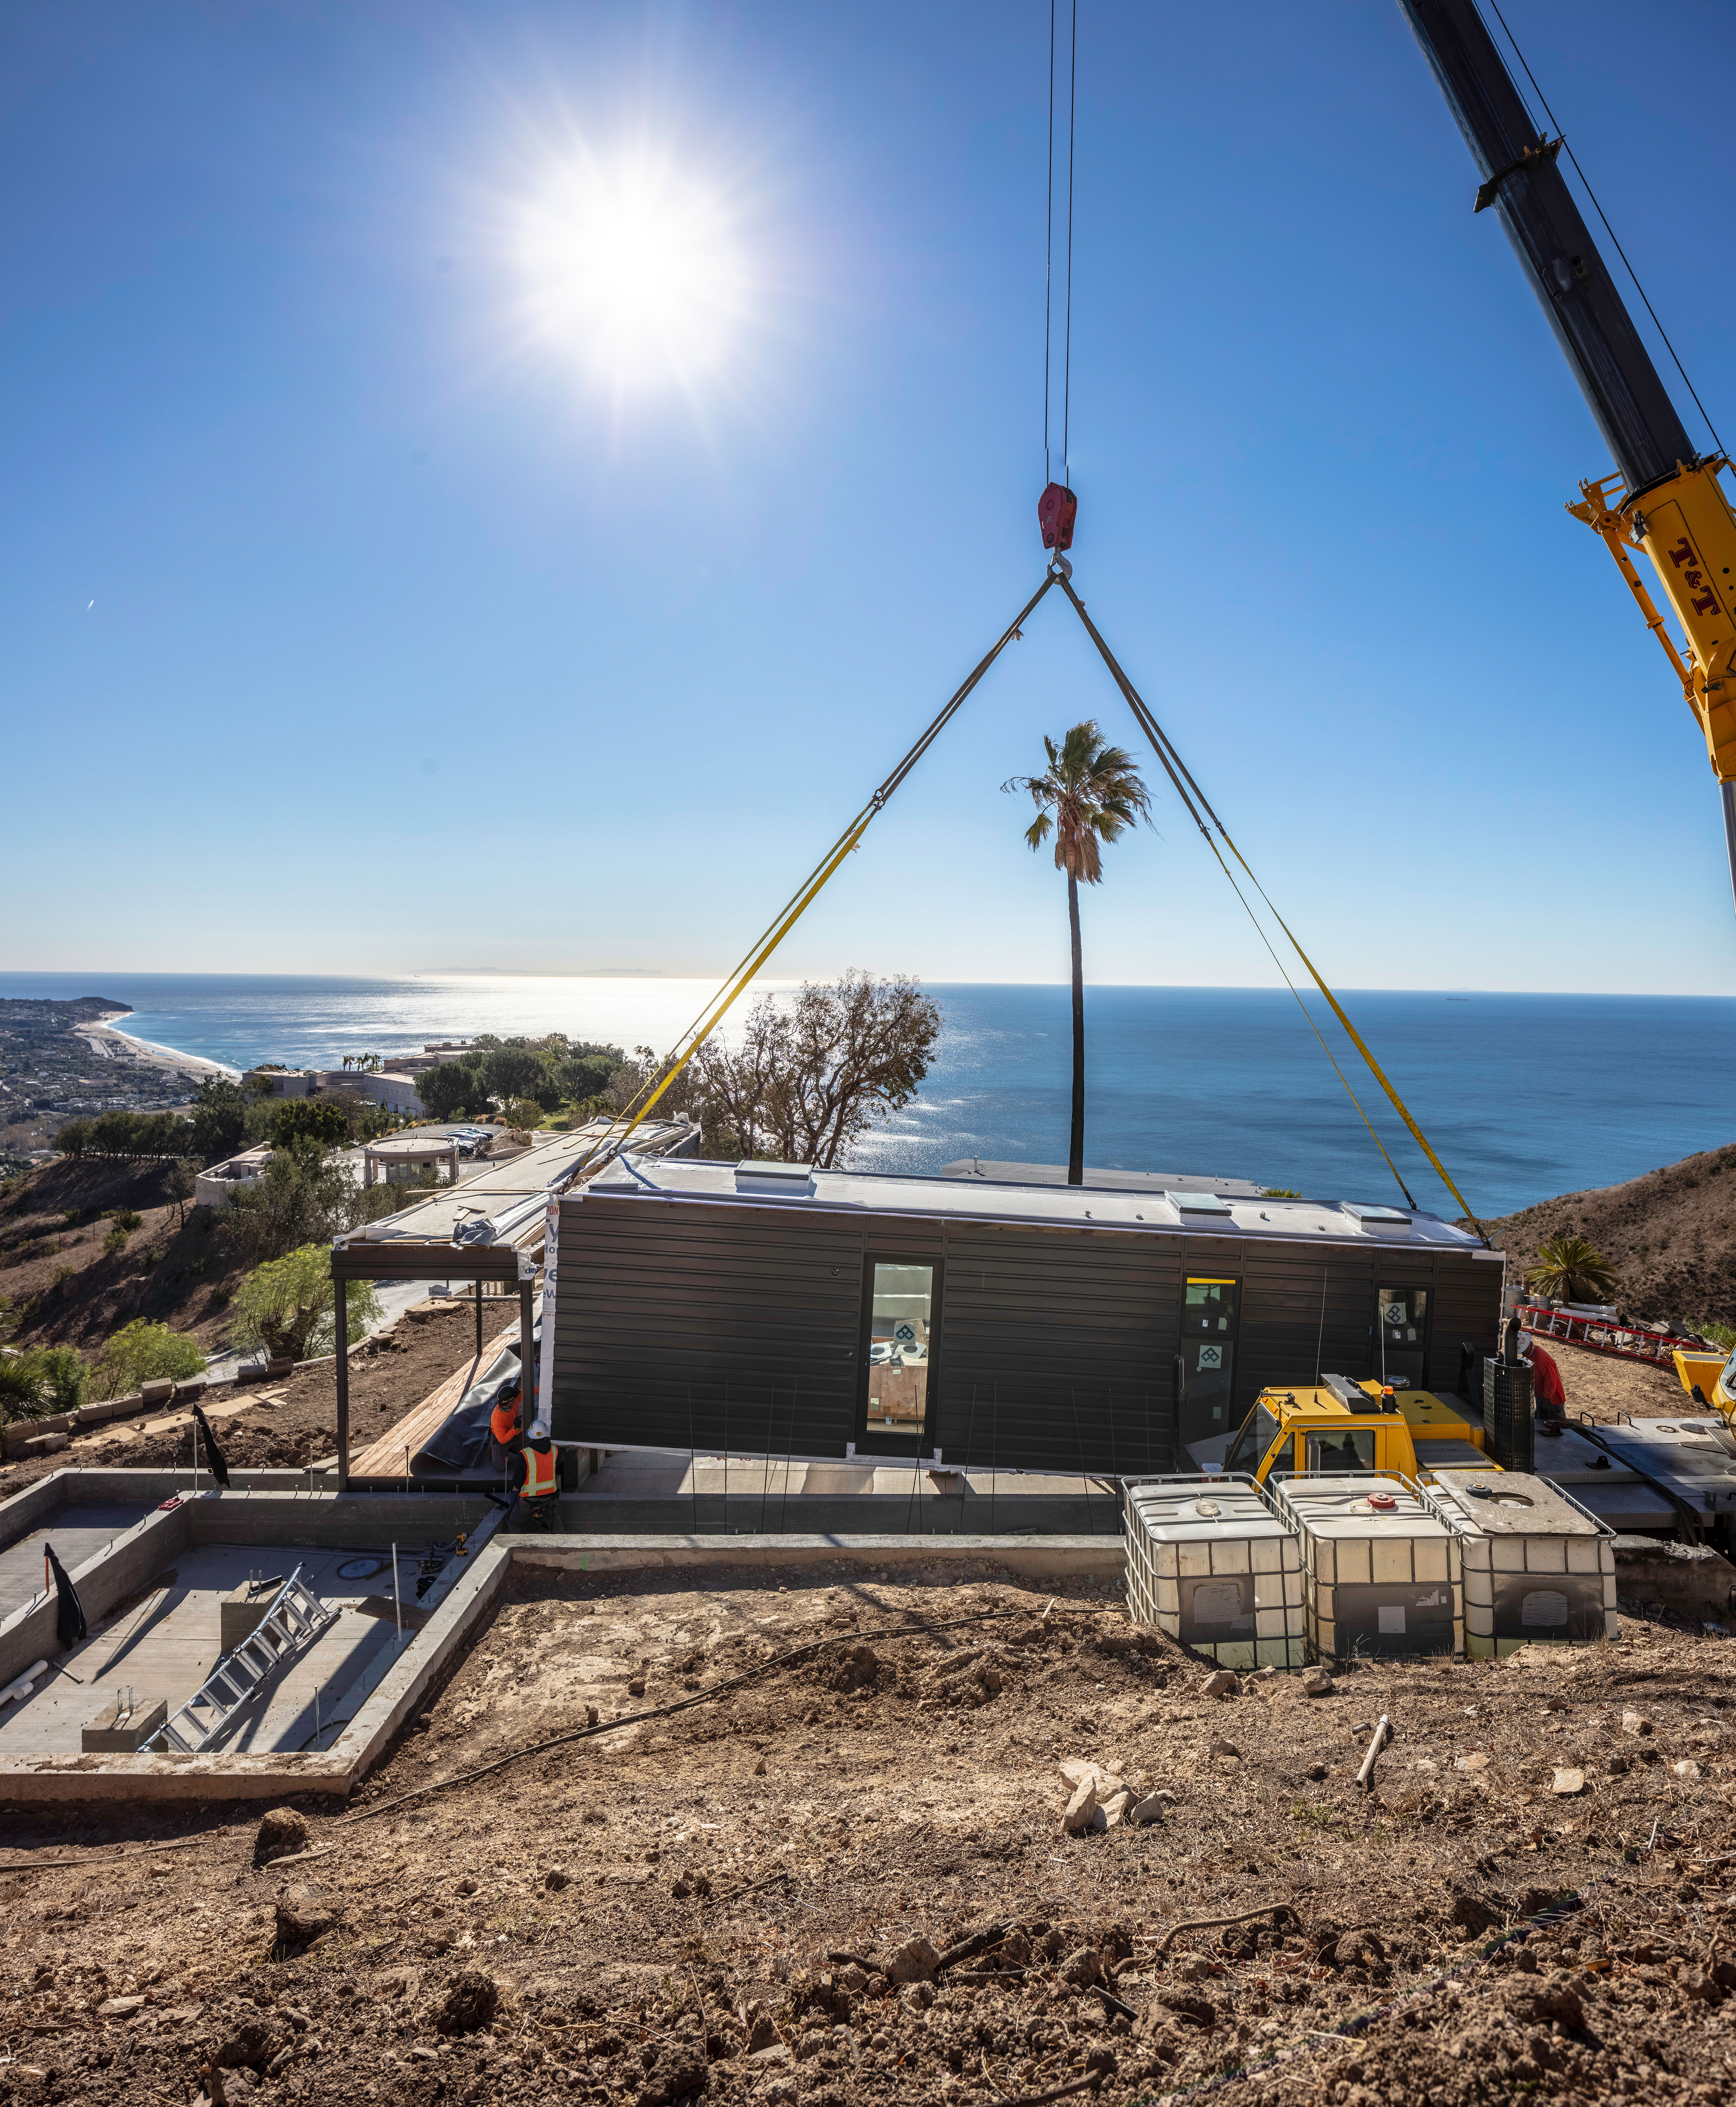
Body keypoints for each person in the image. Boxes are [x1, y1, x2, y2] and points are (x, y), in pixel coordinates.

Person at [510, 1432, 561, 1530]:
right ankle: (564, 1542)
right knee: (554, 1524)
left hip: (529, 1501)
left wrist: (516, 1487)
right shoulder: (555, 1449)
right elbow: (562, 1456)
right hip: (549, 1499)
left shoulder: (525, 1454)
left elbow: (519, 1478)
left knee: (514, 1523)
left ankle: (515, 1545)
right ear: (546, 1435)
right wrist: (569, 1448)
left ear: (531, 1438)